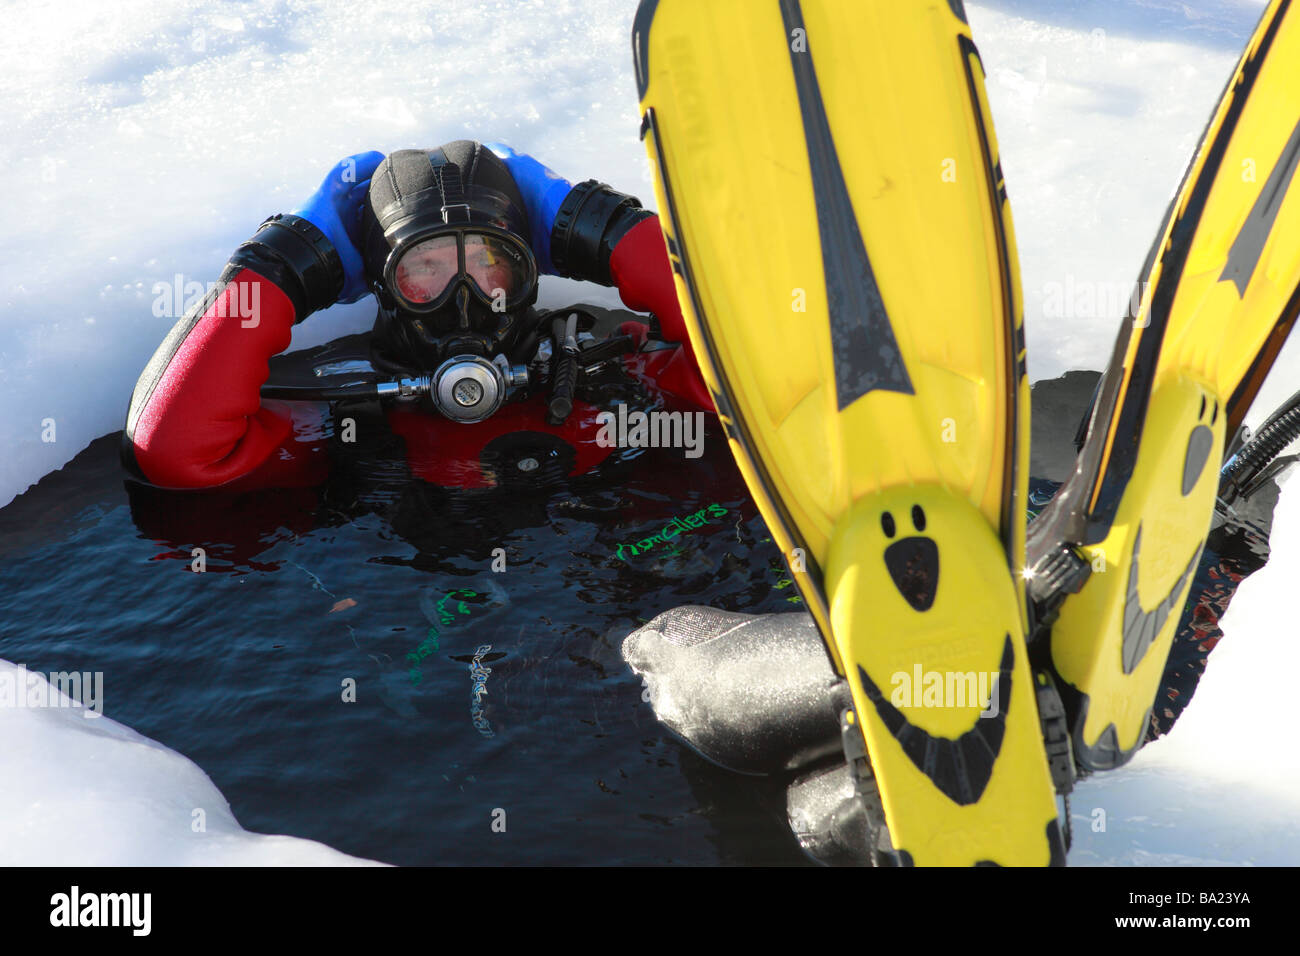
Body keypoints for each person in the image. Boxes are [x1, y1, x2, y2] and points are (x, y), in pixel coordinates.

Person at [120, 141, 712, 492]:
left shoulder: (603, 354)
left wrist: (602, 225)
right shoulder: (339, 399)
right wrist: (283, 266)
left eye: (487, 261)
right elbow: (174, 455)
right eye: (422, 269)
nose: (463, 295)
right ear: (381, 281)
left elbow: (772, 370)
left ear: (527, 268)